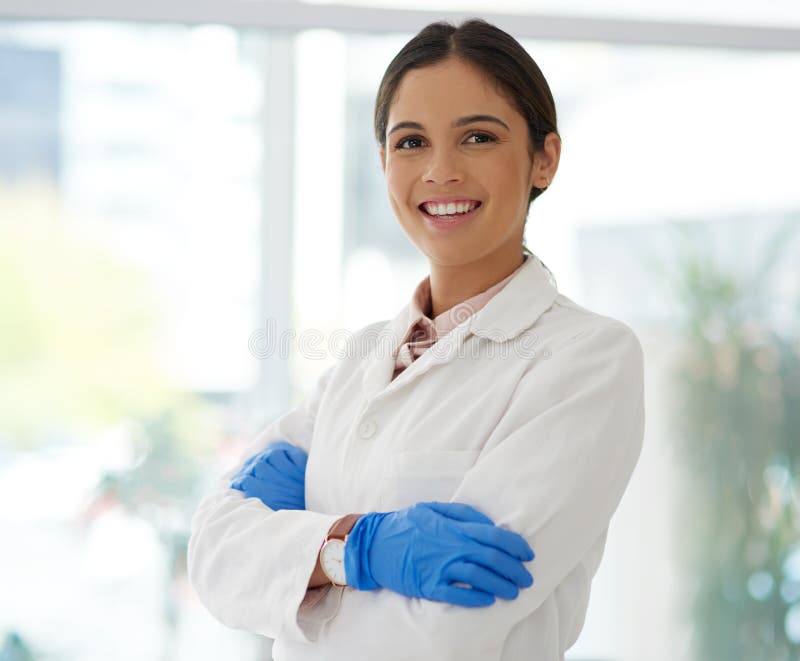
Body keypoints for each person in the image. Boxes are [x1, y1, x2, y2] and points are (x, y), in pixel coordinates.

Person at [187, 17, 645, 661]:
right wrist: (364, 549)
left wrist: (300, 558)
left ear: (544, 158)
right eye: (410, 143)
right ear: (383, 163)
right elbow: (212, 559)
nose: (440, 171)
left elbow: (448, 630)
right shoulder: (360, 358)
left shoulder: (589, 358)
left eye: (478, 137)